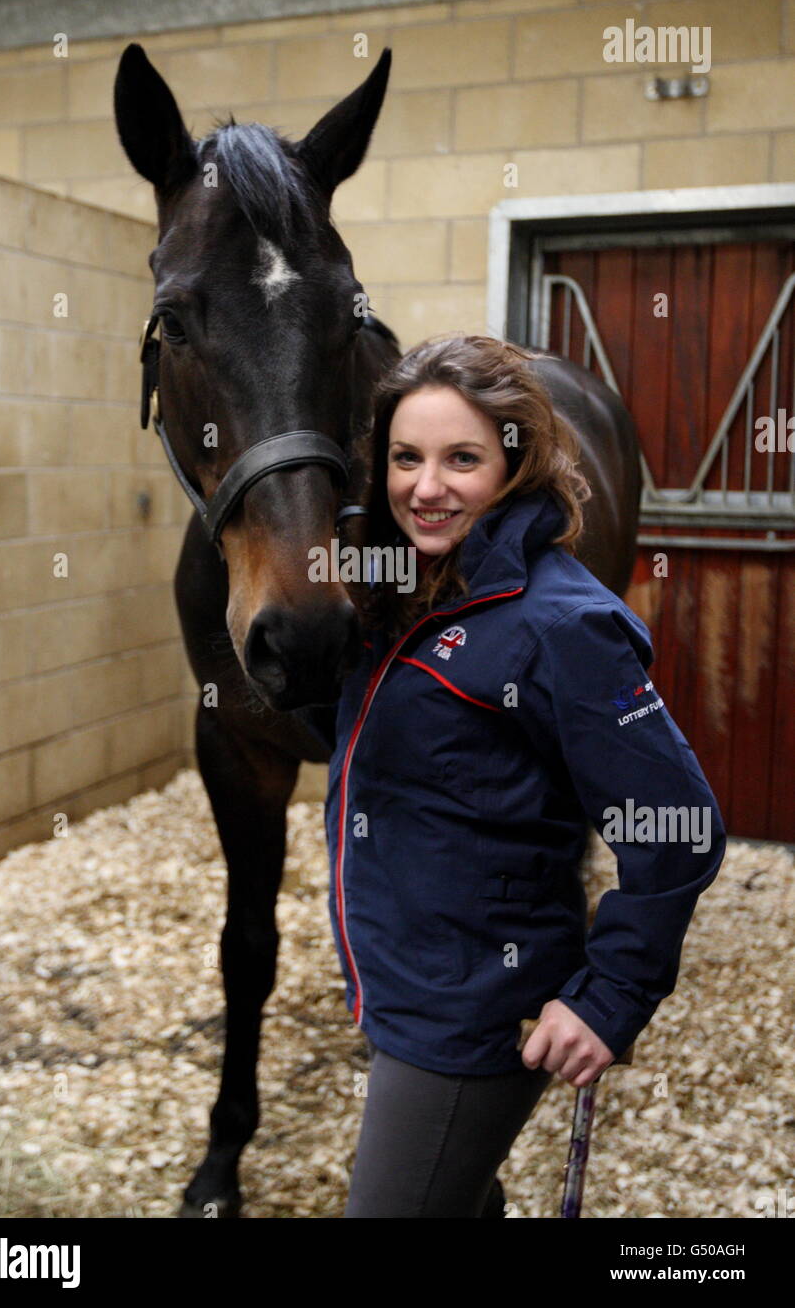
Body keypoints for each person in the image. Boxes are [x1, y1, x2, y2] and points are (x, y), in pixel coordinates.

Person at [322, 332, 727, 1218]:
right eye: (405, 458)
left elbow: (680, 828)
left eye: (461, 459)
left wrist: (609, 998)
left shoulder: (562, 624)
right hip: (400, 980)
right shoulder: (406, 589)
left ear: (516, 464)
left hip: (471, 1017)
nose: (425, 489)